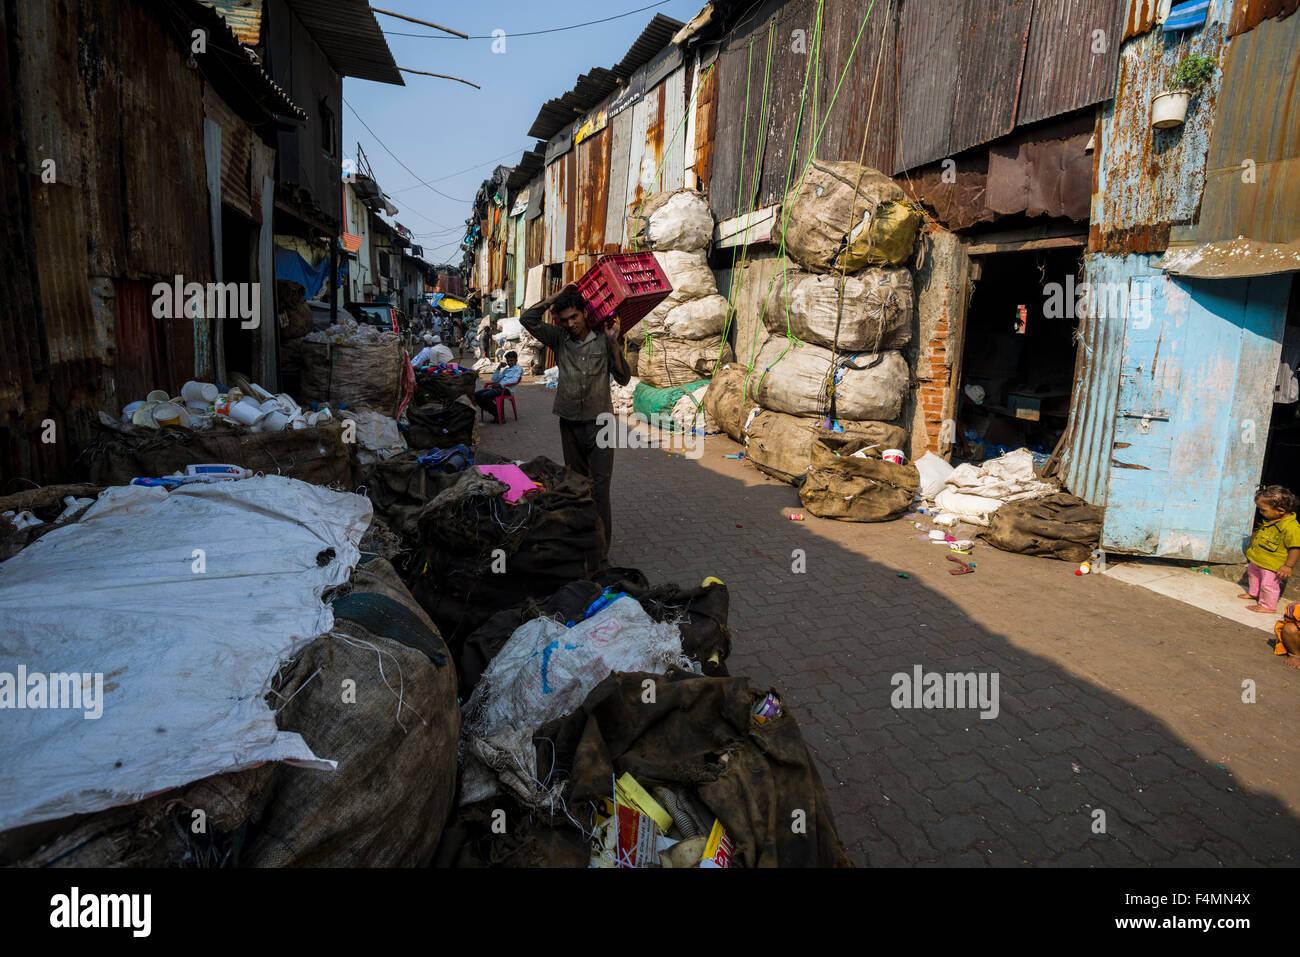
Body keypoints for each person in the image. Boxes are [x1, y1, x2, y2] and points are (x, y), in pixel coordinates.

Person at [520, 284, 630, 550]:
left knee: (601, 489)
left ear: (584, 313)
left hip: (600, 424)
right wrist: (554, 298)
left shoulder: (604, 338)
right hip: (569, 423)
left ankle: (601, 550)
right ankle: (583, 541)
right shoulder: (558, 338)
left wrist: (614, 345)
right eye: (565, 319)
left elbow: (624, 378)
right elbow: (527, 319)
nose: (570, 324)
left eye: (574, 317)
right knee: (577, 485)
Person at [1238, 485, 1300, 613]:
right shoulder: (1274, 519)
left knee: (1269, 585)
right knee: (1253, 575)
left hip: (1272, 565)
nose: (1261, 513)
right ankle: (1254, 593)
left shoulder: (1291, 527)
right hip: (1259, 560)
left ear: (1281, 510)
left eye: (1263, 510)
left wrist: (1288, 566)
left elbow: (1295, 548)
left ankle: (1268, 606)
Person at [474, 351, 523, 423]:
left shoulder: (518, 369)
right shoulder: (506, 370)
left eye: (511, 361)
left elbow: (514, 380)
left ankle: (498, 414)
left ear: (516, 360)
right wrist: (498, 368)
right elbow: (494, 379)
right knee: (476, 395)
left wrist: (500, 384)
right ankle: (498, 413)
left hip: (507, 390)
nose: (509, 363)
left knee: (484, 396)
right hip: (498, 388)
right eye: (508, 361)